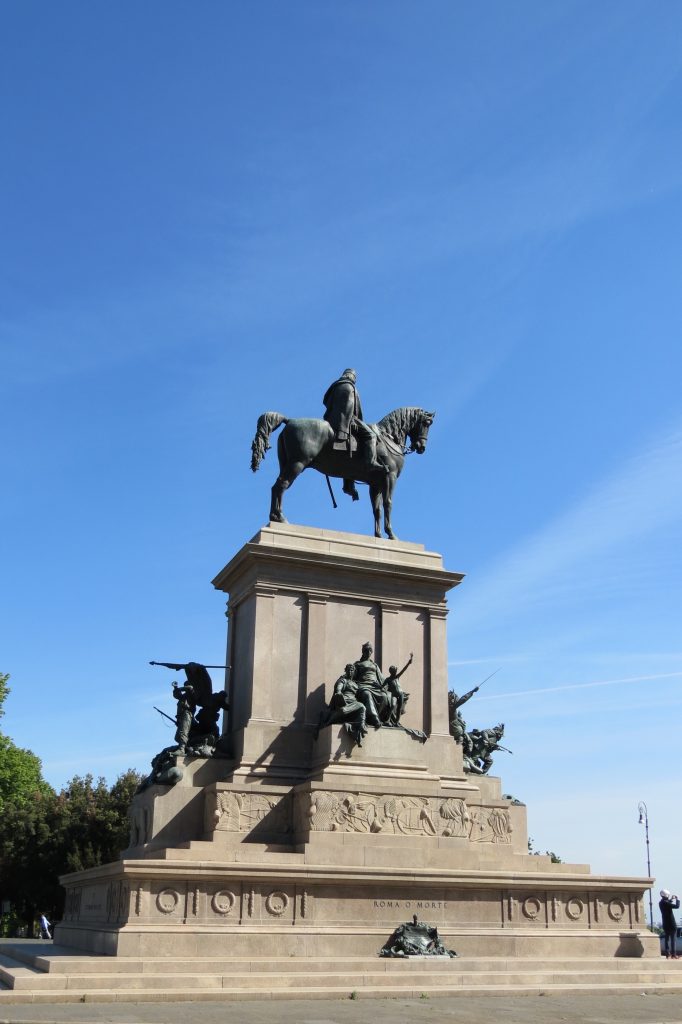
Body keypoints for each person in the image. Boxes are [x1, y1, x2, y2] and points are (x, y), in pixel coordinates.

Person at [322, 369, 381, 479]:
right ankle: (370, 462)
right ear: (352, 376)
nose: (354, 379)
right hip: (348, 420)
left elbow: (327, 403)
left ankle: (348, 483)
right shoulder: (350, 387)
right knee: (371, 435)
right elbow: (351, 406)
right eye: (354, 377)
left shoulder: (335, 387)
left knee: (351, 451)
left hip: (331, 419)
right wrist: (350, 421)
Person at [353, 642, 392, 727]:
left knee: (384, 696)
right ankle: (374, 718)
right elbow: (352, 677)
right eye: (366, 650)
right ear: (363, 652)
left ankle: (379, 716)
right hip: (363, 686)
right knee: (367, 694)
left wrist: (387, 684)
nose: (368, 652)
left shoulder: (374, 665)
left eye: (370, 651)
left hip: (375, 686)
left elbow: (381, 678)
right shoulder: (357, 664)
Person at [385, 653, 413, 724]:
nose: (396, 672)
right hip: (394, 695)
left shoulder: (397, 677)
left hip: (400, 694)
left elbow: (403, 670)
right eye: (394, 671)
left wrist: (409, 663)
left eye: (395, 671)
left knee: (399, 709)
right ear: (391, 672)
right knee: (393, 705)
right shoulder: (388, 679)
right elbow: (382, 686)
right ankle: (387, 720)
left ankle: (396, 722)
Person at [659, 889, 680, 959]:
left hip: (665, 924)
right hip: (672, 923)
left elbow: (667, 902)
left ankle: (667, 954)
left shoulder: (661, 903)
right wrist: (678, 899)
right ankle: (674, 954)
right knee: (673, 940)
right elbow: (677, 906)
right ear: (666, 895)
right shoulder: (667, 903)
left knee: (666, 940)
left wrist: (671, 899)